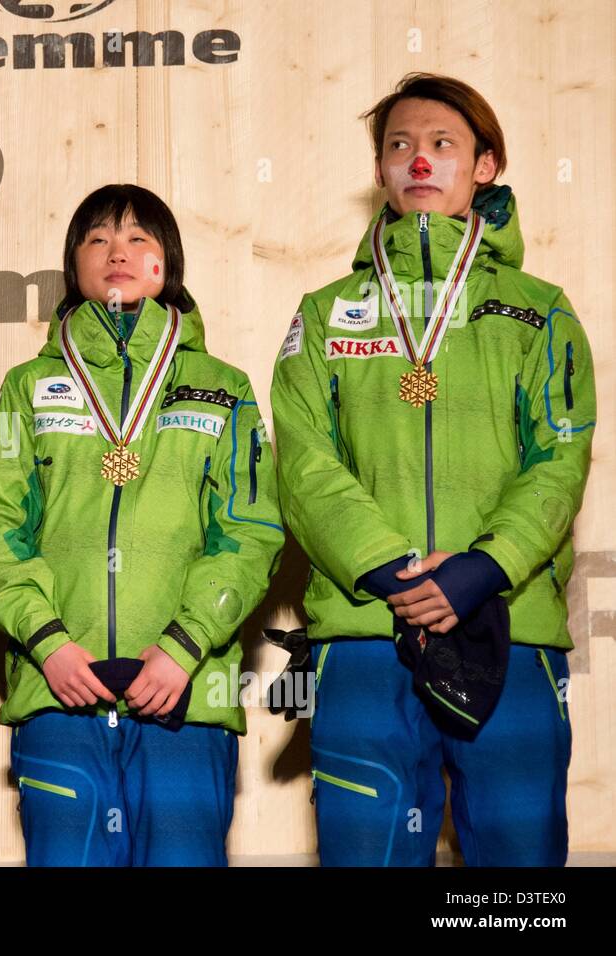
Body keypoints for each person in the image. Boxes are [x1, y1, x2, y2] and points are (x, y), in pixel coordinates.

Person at [271, 73, 595, 866]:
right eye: (400, 146)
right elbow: (304, 461)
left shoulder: (539, 309)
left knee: (518, 879)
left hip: (507, 624)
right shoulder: (321, 314)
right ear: (380, 169)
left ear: (485, 165)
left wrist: (482, 570)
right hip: (363, 631)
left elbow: (559, 460)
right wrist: (393, 571)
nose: (419, 160)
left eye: (442, 144)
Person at [0, 184, 284, 866]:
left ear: (169, 262)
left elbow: (250, 534)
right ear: (72, 263)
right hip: (57, 691)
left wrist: (185, 644)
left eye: (140, 238)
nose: (118, 253)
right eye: (98, 238)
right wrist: (48, 644)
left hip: (184, 696)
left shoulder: (223, 386)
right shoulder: (27, 386)